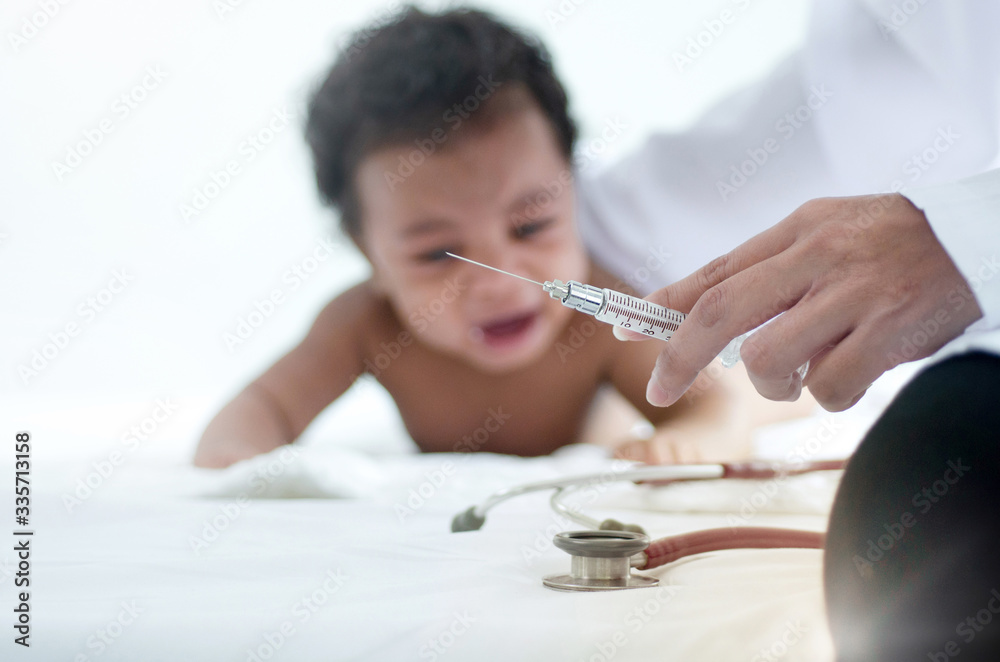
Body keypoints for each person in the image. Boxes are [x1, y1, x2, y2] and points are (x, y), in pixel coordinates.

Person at [192, 7, 786, 470]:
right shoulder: (363, 327)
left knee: (767, 388)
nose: (501, 279)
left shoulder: (601, 320)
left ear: (573, 194)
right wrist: (240, 458)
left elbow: (715, 407)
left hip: (614, 427)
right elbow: (259, 411)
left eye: (531, 226)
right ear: (366, 253)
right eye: (434, 254)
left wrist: (690, 440)